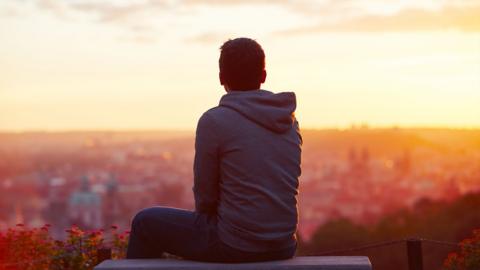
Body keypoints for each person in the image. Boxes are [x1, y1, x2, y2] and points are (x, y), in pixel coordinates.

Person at [126, 37, 302, 263]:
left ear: (221, 78)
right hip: (284, 245)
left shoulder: (214, 121)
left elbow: (205, 196)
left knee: (144, 222)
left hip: (236, 245)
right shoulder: (289, 121)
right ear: (263, 76)